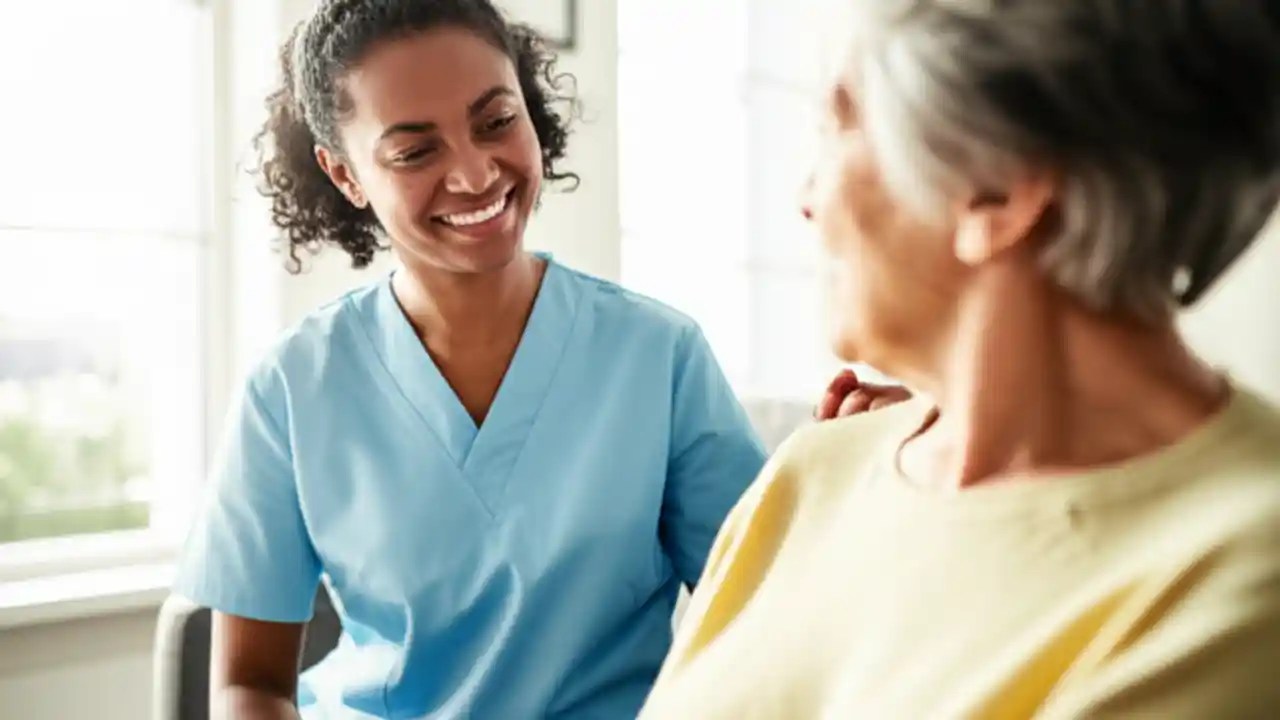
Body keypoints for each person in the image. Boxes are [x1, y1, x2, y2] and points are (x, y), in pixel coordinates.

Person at [173, 1, 893, 718]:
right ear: (346, 174)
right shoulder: (292, 389)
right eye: (416, 151)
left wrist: (865, 475)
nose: (475, 173)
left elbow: (768, 622)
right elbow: (250, 683)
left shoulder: (658, 357)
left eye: (495, 122)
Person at [640, 1, 1280, 718]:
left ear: (998, 190)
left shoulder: (1242, 576)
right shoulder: (812, 474)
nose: (805, 200)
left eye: (843, 123)